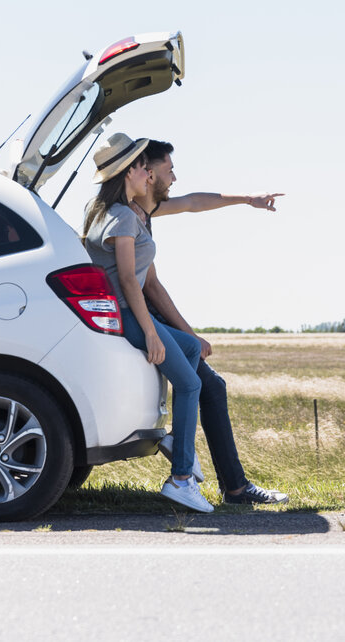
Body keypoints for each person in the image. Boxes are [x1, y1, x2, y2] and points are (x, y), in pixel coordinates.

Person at [135, 139, 290, 505]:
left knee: (210, 385)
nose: (174, 177)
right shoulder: (126, 216)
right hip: (142, 319)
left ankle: (227, 480)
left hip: (152, 315)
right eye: (169, 169)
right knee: (210, 386)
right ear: (149, 173)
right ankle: (231, 486)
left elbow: (193, 202)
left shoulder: (145, 211)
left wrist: (247, 198)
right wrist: (190, 336)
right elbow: (149, 290)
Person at [82, 133, 213, 513]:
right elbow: (127, 281)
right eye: (143, 166)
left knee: (190, 349)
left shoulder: (109, 209)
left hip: (124, 310)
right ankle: (181, 480)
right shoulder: (122, 217)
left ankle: (176, 444)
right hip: (124, 314)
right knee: (190, 384)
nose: (149, 173)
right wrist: (152, 332)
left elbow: (189, 206)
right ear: (128, 172)